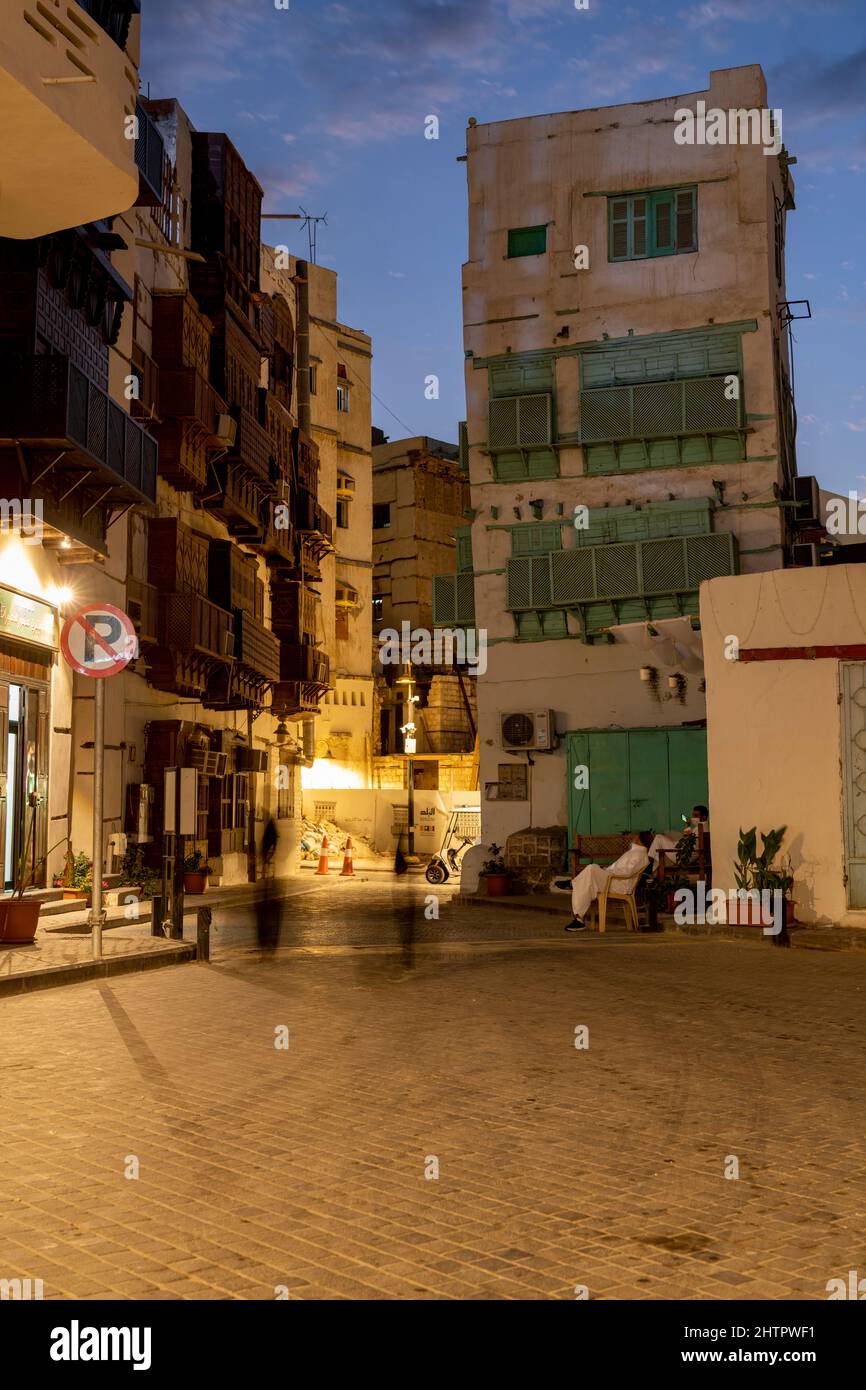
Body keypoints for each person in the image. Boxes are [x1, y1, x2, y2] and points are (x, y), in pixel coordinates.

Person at [565, 832, 653, 932]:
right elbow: (617, 867)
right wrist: (605, 871)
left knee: (591, 869)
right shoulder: (634, 852)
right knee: (588, 879)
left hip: (620, 884)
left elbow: (626, 872)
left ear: (639, 840)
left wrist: (606, 872)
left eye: (635, 837)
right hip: (613, 879)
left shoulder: (640, 856)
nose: (633, 838)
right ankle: (578, 918)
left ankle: (573, 886)